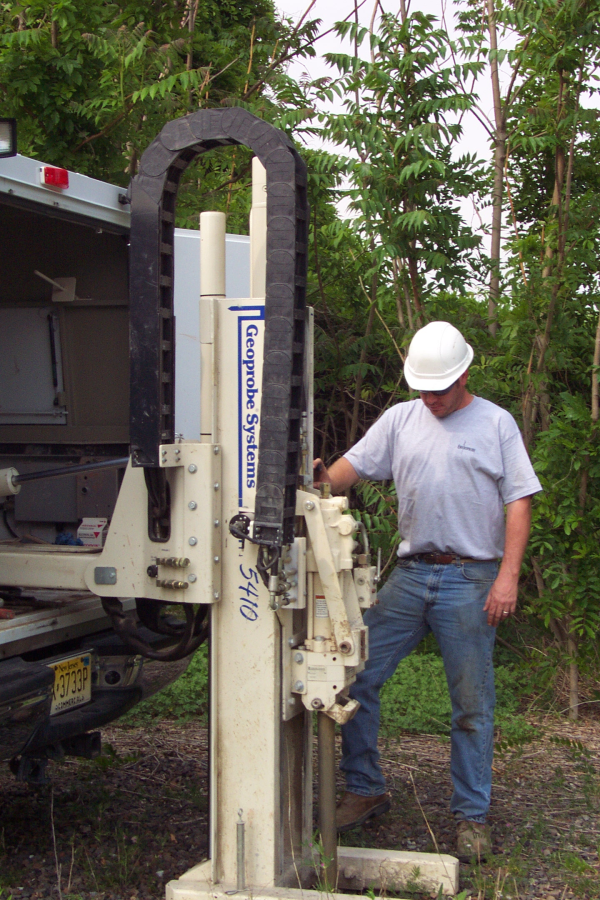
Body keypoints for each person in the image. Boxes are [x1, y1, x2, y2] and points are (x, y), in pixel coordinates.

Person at [313, 320, 542, 860]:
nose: (430, 399)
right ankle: (366, 790)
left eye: (438, 390)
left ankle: (471, 816)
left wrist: (508, 576)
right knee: (354, 674)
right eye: (422, 388)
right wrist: (320, 480)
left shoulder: (496, 424)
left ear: (463, 375)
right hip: (412, 574)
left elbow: (520, 502)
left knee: (470, 703)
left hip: (472, 577)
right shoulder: (401, 419)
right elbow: (352, 469)